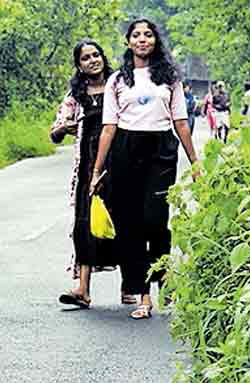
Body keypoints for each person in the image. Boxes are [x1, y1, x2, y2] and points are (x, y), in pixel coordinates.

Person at [91, 18, 201, 320]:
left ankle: (162, 272)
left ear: (155, 40)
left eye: (148, 35)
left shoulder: (169, 78)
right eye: (136, 35)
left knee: (155, 218)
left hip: (161, 150)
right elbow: (108, 128)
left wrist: (195, 164)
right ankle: (143, 296)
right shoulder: (117, 80)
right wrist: (96, 171)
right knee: (131, 225)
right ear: (129, 42)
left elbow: (180, 122)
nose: (142, 39)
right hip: (126, 149)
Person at [49, 40, 119, 309]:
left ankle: (130, 286)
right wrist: (64, 127)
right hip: (88, 170)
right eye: (86, 57)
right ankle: (83, 288)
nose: (93, 60)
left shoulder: (118, 87)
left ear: (103, 57)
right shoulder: (75, 96)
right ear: (79, 65)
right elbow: (55, 131)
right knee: (85, 224)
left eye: (96, 55)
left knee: (122, 222)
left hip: (119, 166)